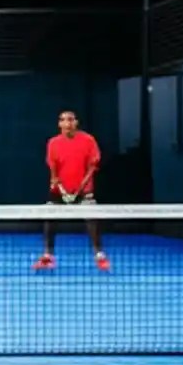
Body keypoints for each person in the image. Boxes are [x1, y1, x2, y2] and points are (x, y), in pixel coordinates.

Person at [34, 110, 111, 272]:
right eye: (63, 120)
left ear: (76, 122)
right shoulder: (53, 143)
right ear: (59, 124)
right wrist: (56, 181)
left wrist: (83, 185)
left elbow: (92, 166)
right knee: (49, 218)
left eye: (70, 120)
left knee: (92, 219)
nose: (67, 123)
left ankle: (99, 256)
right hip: (59, 189)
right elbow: (53, 168)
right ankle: (48, 256)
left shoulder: (88, 140)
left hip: (83, 188)